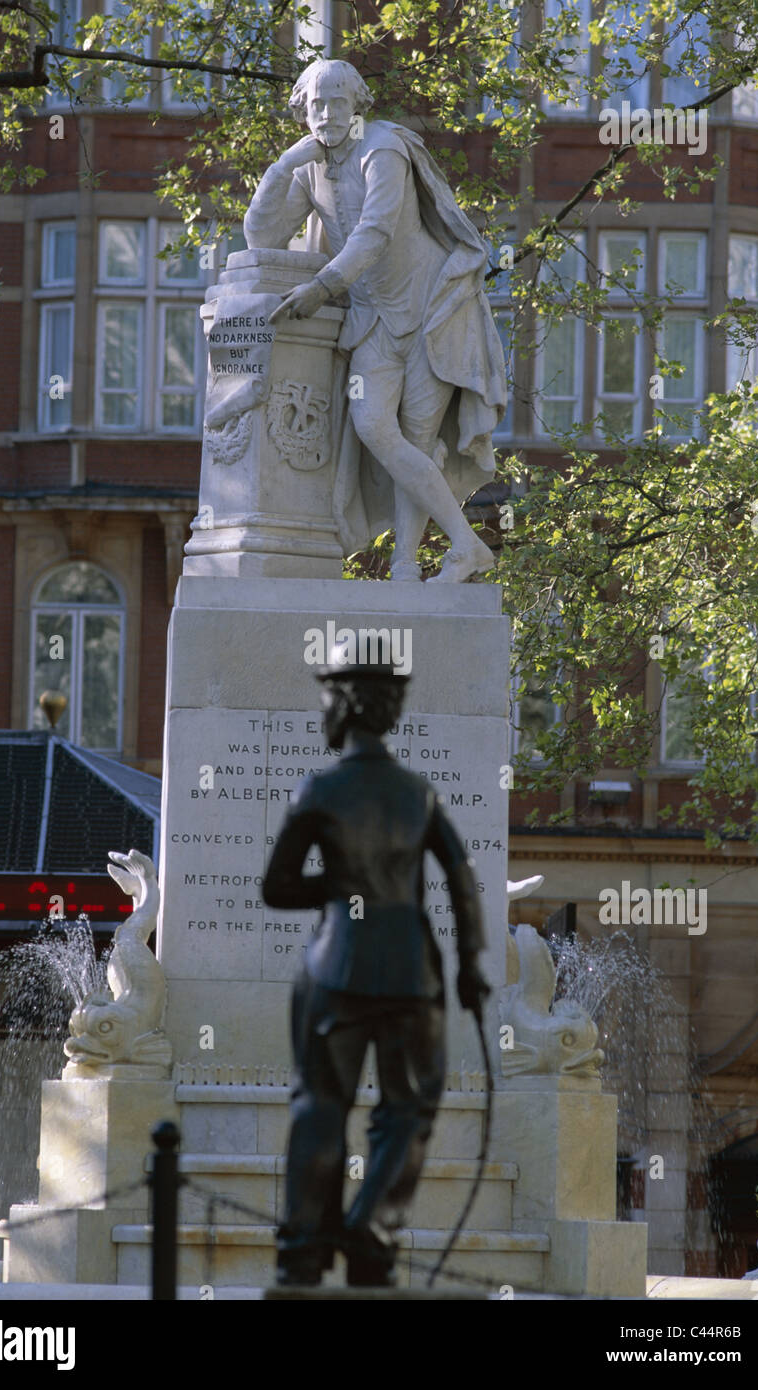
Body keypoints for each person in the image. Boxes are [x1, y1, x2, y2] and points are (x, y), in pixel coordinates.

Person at [262, 647, 491, 1286]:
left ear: (350, 704)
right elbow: (462, 879)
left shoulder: (322, 790)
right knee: (409, 1111)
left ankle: (303, 1250)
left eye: (329, 696)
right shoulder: (417, 794)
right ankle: (371, 1231)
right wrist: (471, 962)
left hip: (336, 967)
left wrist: (337, 887)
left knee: (319, 1108)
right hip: (412, 973)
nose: (323, 709)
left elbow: (277, 887)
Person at [244, 58, 507, 583]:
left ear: (357, 105)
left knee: (415, 435)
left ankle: (407, 566)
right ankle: (467, 544)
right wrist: (283, 164)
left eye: (337, 103)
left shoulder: (382, 146)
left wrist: (323, 287)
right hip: (372, 319)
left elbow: (376, 230)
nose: (326, 115)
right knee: (373, 426)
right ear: (304, 111)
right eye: (316, 105)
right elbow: (262, 236)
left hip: (432, 311)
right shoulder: (309, 164)